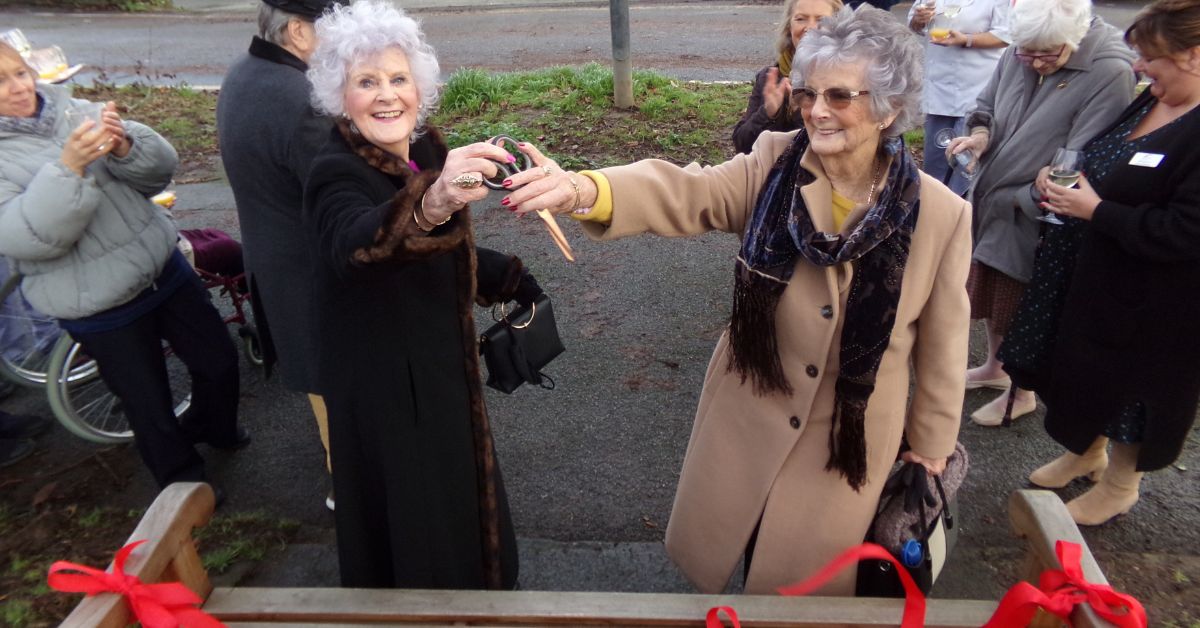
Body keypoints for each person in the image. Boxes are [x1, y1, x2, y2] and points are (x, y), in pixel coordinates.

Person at [504, 6, 971, 595]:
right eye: (807, 93)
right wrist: (582, 189)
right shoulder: (775, 161)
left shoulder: (942, 214)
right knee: (742, 546)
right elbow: (688, 188)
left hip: (847, 440)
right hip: (753, 405)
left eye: (840, 96)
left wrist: (929, 449)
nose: (817, 111)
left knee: (806, 589)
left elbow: (944, 344)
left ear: (890, 108)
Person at [303, 0, 541, 589]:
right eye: (366, 81)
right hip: (387, 394)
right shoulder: (333, 171)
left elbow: (434, 258)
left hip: (440, 374)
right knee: (418, 531)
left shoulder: (424, 154)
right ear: (341, 95)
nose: (387, 96)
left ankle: (482, 597)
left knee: (463, 504)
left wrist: (509, 276)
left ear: (420, 88)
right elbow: (358, 249)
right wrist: (432, 203)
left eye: (398, 78)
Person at [0, 42, 244, 496]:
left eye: (19, 72)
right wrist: (68, 169)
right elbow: (26, 236)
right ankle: (185, 488)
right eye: (1, 81)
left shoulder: (75, 110)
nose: (19, 87)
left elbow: (159, 172)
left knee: (219, 361)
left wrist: (128, 145)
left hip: (162, 269)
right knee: (147, 404)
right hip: (97, 304)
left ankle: (212, 427)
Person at [1015, 0, 1200, 526]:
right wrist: (1058, 180)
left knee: (1134, 388)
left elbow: (1187, 231)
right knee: (1088, 372)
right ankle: (1087, 453)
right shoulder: (1154, 100)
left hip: (1160, 301)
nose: (1138, 67)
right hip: (1102, 274)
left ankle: (1121, 484)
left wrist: (1096, 210)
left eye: (1149, 57)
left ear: (1192, 55)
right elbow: (1103, 157)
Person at [944, 0, 1135, 426]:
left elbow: (1087, 159)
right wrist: (978, 135)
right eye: (1024, 52)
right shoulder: (1023, 50)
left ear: (1075, 39)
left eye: (1046, 55)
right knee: (994, 290)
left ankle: (1022, 392)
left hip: (1039, 209)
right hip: (993, 195)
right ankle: (995, 369)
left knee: (1023, 301)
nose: (1031, 62)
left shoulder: (1110, 71)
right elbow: (987, 104)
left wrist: (1032, 194)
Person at [217, 0, 340, 511]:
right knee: (341, 387)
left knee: (322, 387)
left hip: (274, 260)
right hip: (314, 273)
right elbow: (344, 197)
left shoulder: (245, 73)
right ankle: (352, 487)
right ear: (298, 32)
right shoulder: (303, 101)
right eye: (338, 27)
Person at [907, 0, 1010, 195]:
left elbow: (1005, 35)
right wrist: (919, 20)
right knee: (935, 163)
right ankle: (934, 209)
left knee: (966, 163)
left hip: (978, 88)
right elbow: (914, 24)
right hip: (939, 89)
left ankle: (963, 212)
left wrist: (966, 39)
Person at [731, 0, 842, 154]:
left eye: (821, 20)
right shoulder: (771, 77)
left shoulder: (847, 81)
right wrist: (768, 113)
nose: (809, 28)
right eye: (800, 19)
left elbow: (833, 152)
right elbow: (742, 146)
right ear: (789, 26)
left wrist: (799, 113)